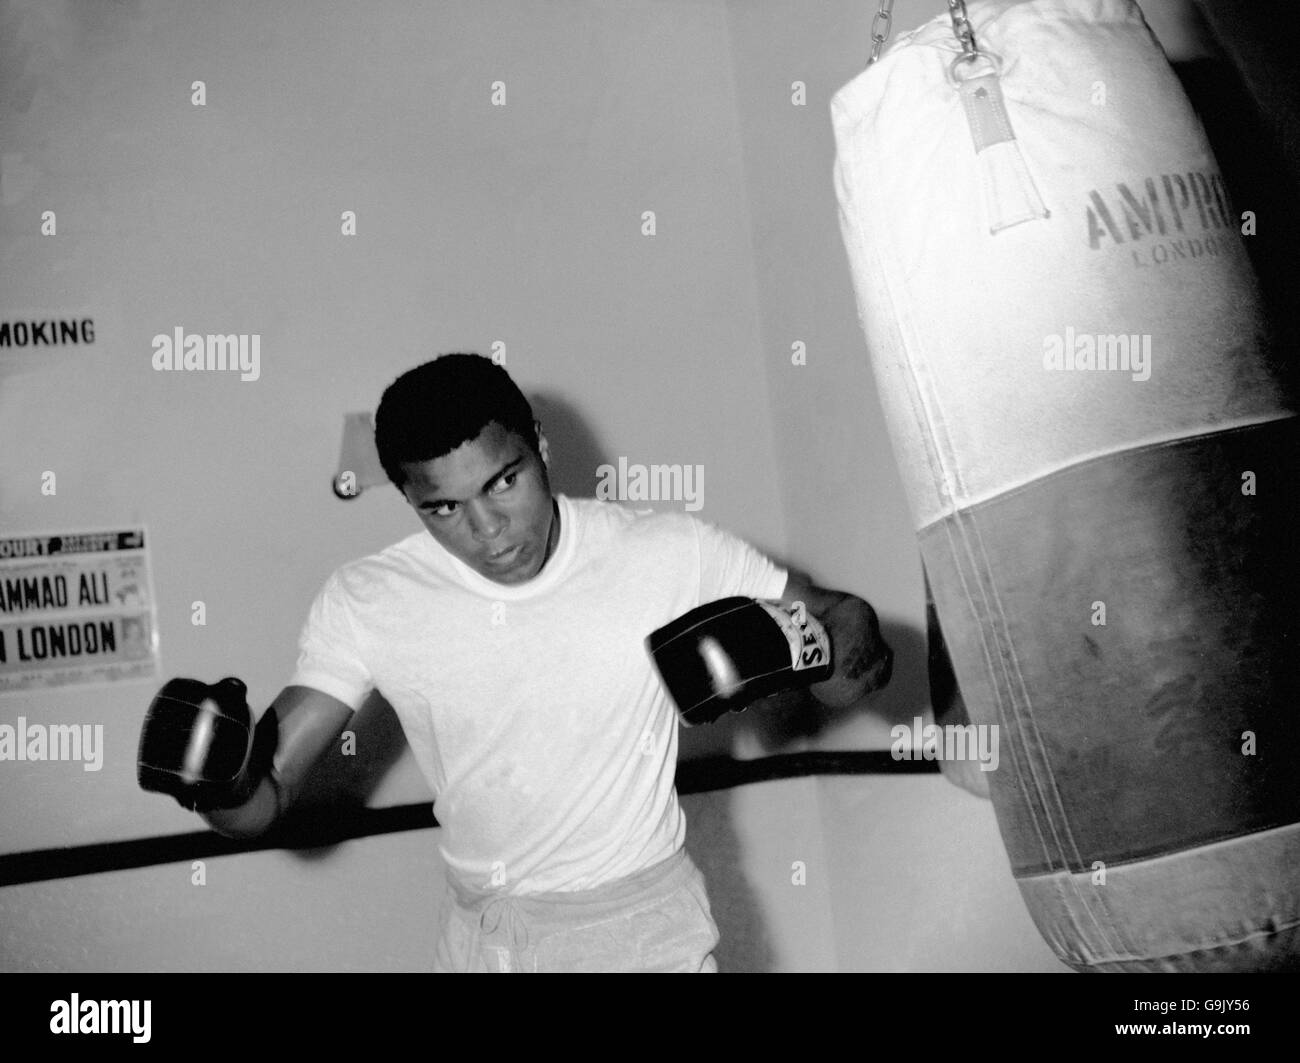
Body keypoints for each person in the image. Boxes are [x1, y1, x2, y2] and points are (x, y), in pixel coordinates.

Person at [141, 352, 893, 972]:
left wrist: (809, 652)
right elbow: (265, 797)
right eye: (445, 508)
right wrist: (216, 783)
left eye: (505, 481)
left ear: (538, 443)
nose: (489, 529)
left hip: (637, 934)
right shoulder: (368, 600)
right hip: (482, 940)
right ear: (406, 496)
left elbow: (846, 622)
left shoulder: (665, 554)